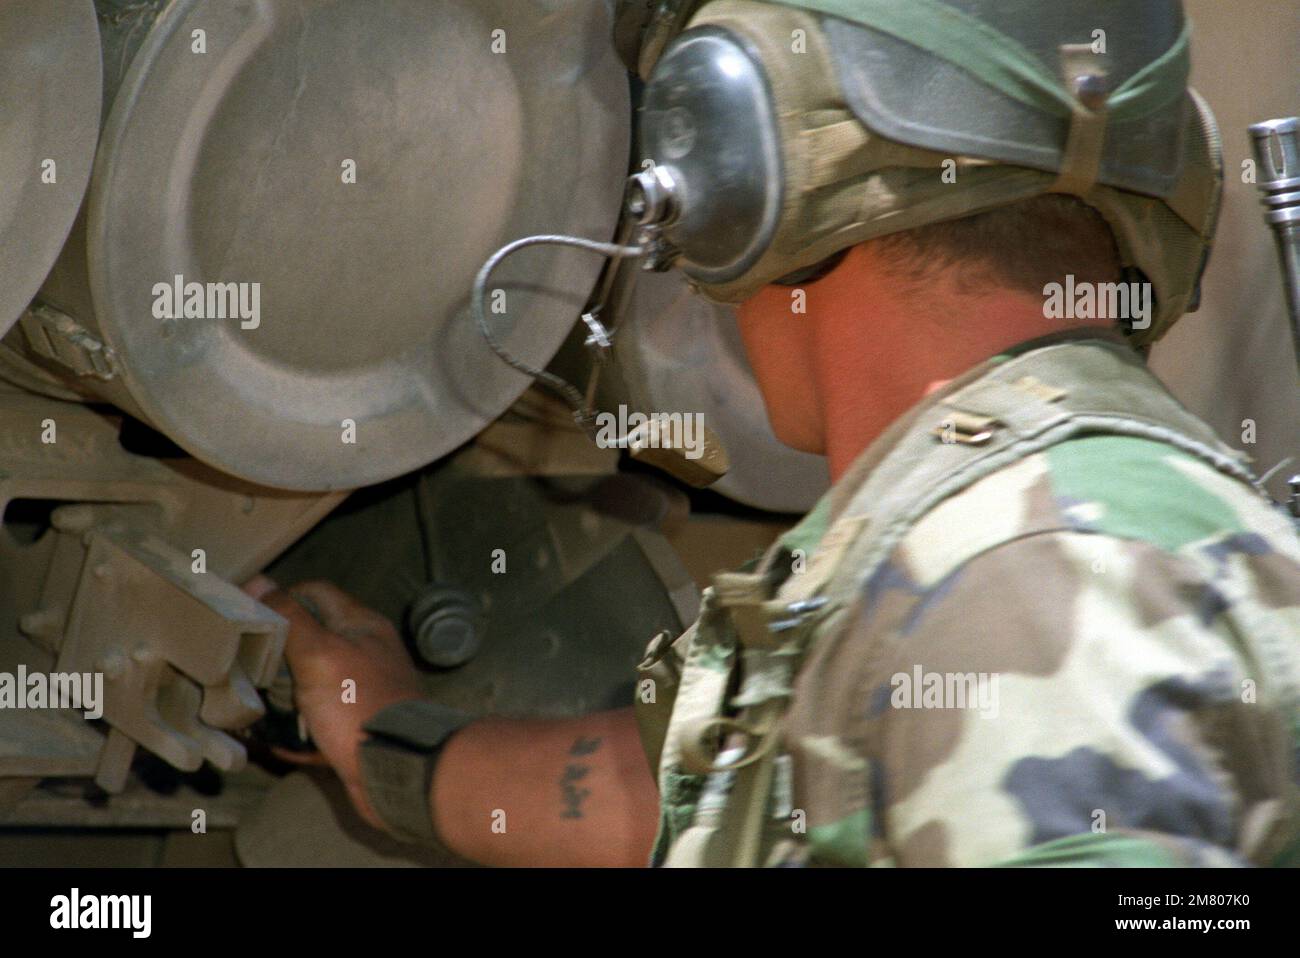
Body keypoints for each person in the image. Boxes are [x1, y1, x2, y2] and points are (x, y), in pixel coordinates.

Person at [247, 0, 1300, 867]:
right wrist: (390, 746)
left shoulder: (1033, 585)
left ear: (743, 178)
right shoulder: (1016, 536)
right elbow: (680, 787)